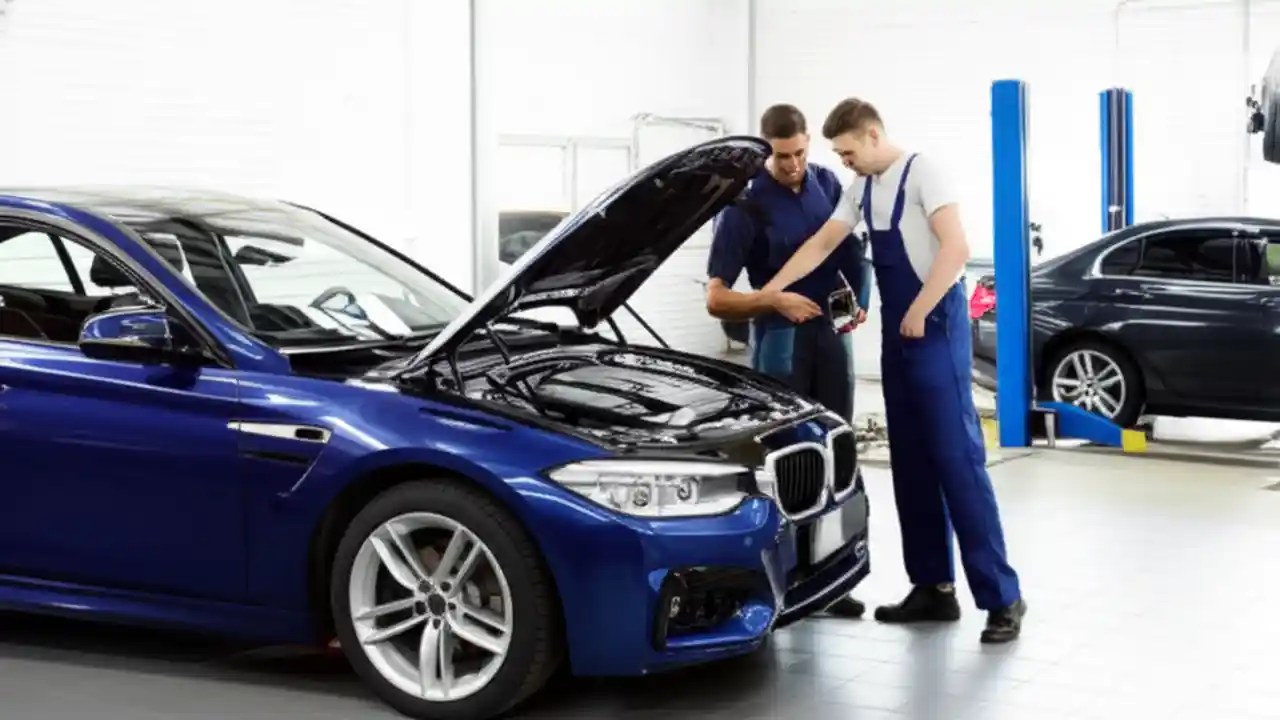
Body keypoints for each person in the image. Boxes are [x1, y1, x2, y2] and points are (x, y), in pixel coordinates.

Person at [754, 98, 1026, 644]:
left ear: (873, 136)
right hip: (899, 336)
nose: (843, 162)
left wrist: (922, 309)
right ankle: (933, 587)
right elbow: (822, 242)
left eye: (847, 152)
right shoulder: (863, 188)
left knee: (958, 462)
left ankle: (1003, 598)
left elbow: (956, 248)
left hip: (935, 326)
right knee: (910, 463)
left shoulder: (925, 172)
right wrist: (771, 291)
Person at [705, 103, 872, 619]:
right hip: (780, 338)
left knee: (837, 454)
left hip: (831, 335)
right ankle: (783, 581)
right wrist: (773, 300)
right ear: (766, 151)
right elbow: (717, 299)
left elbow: (848, 249)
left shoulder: (826, 183)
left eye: (800, 153)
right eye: (782, 157)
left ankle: (833, 580)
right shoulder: (744, 206)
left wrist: (858, 299)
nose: (794, 165)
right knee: (788, 463)